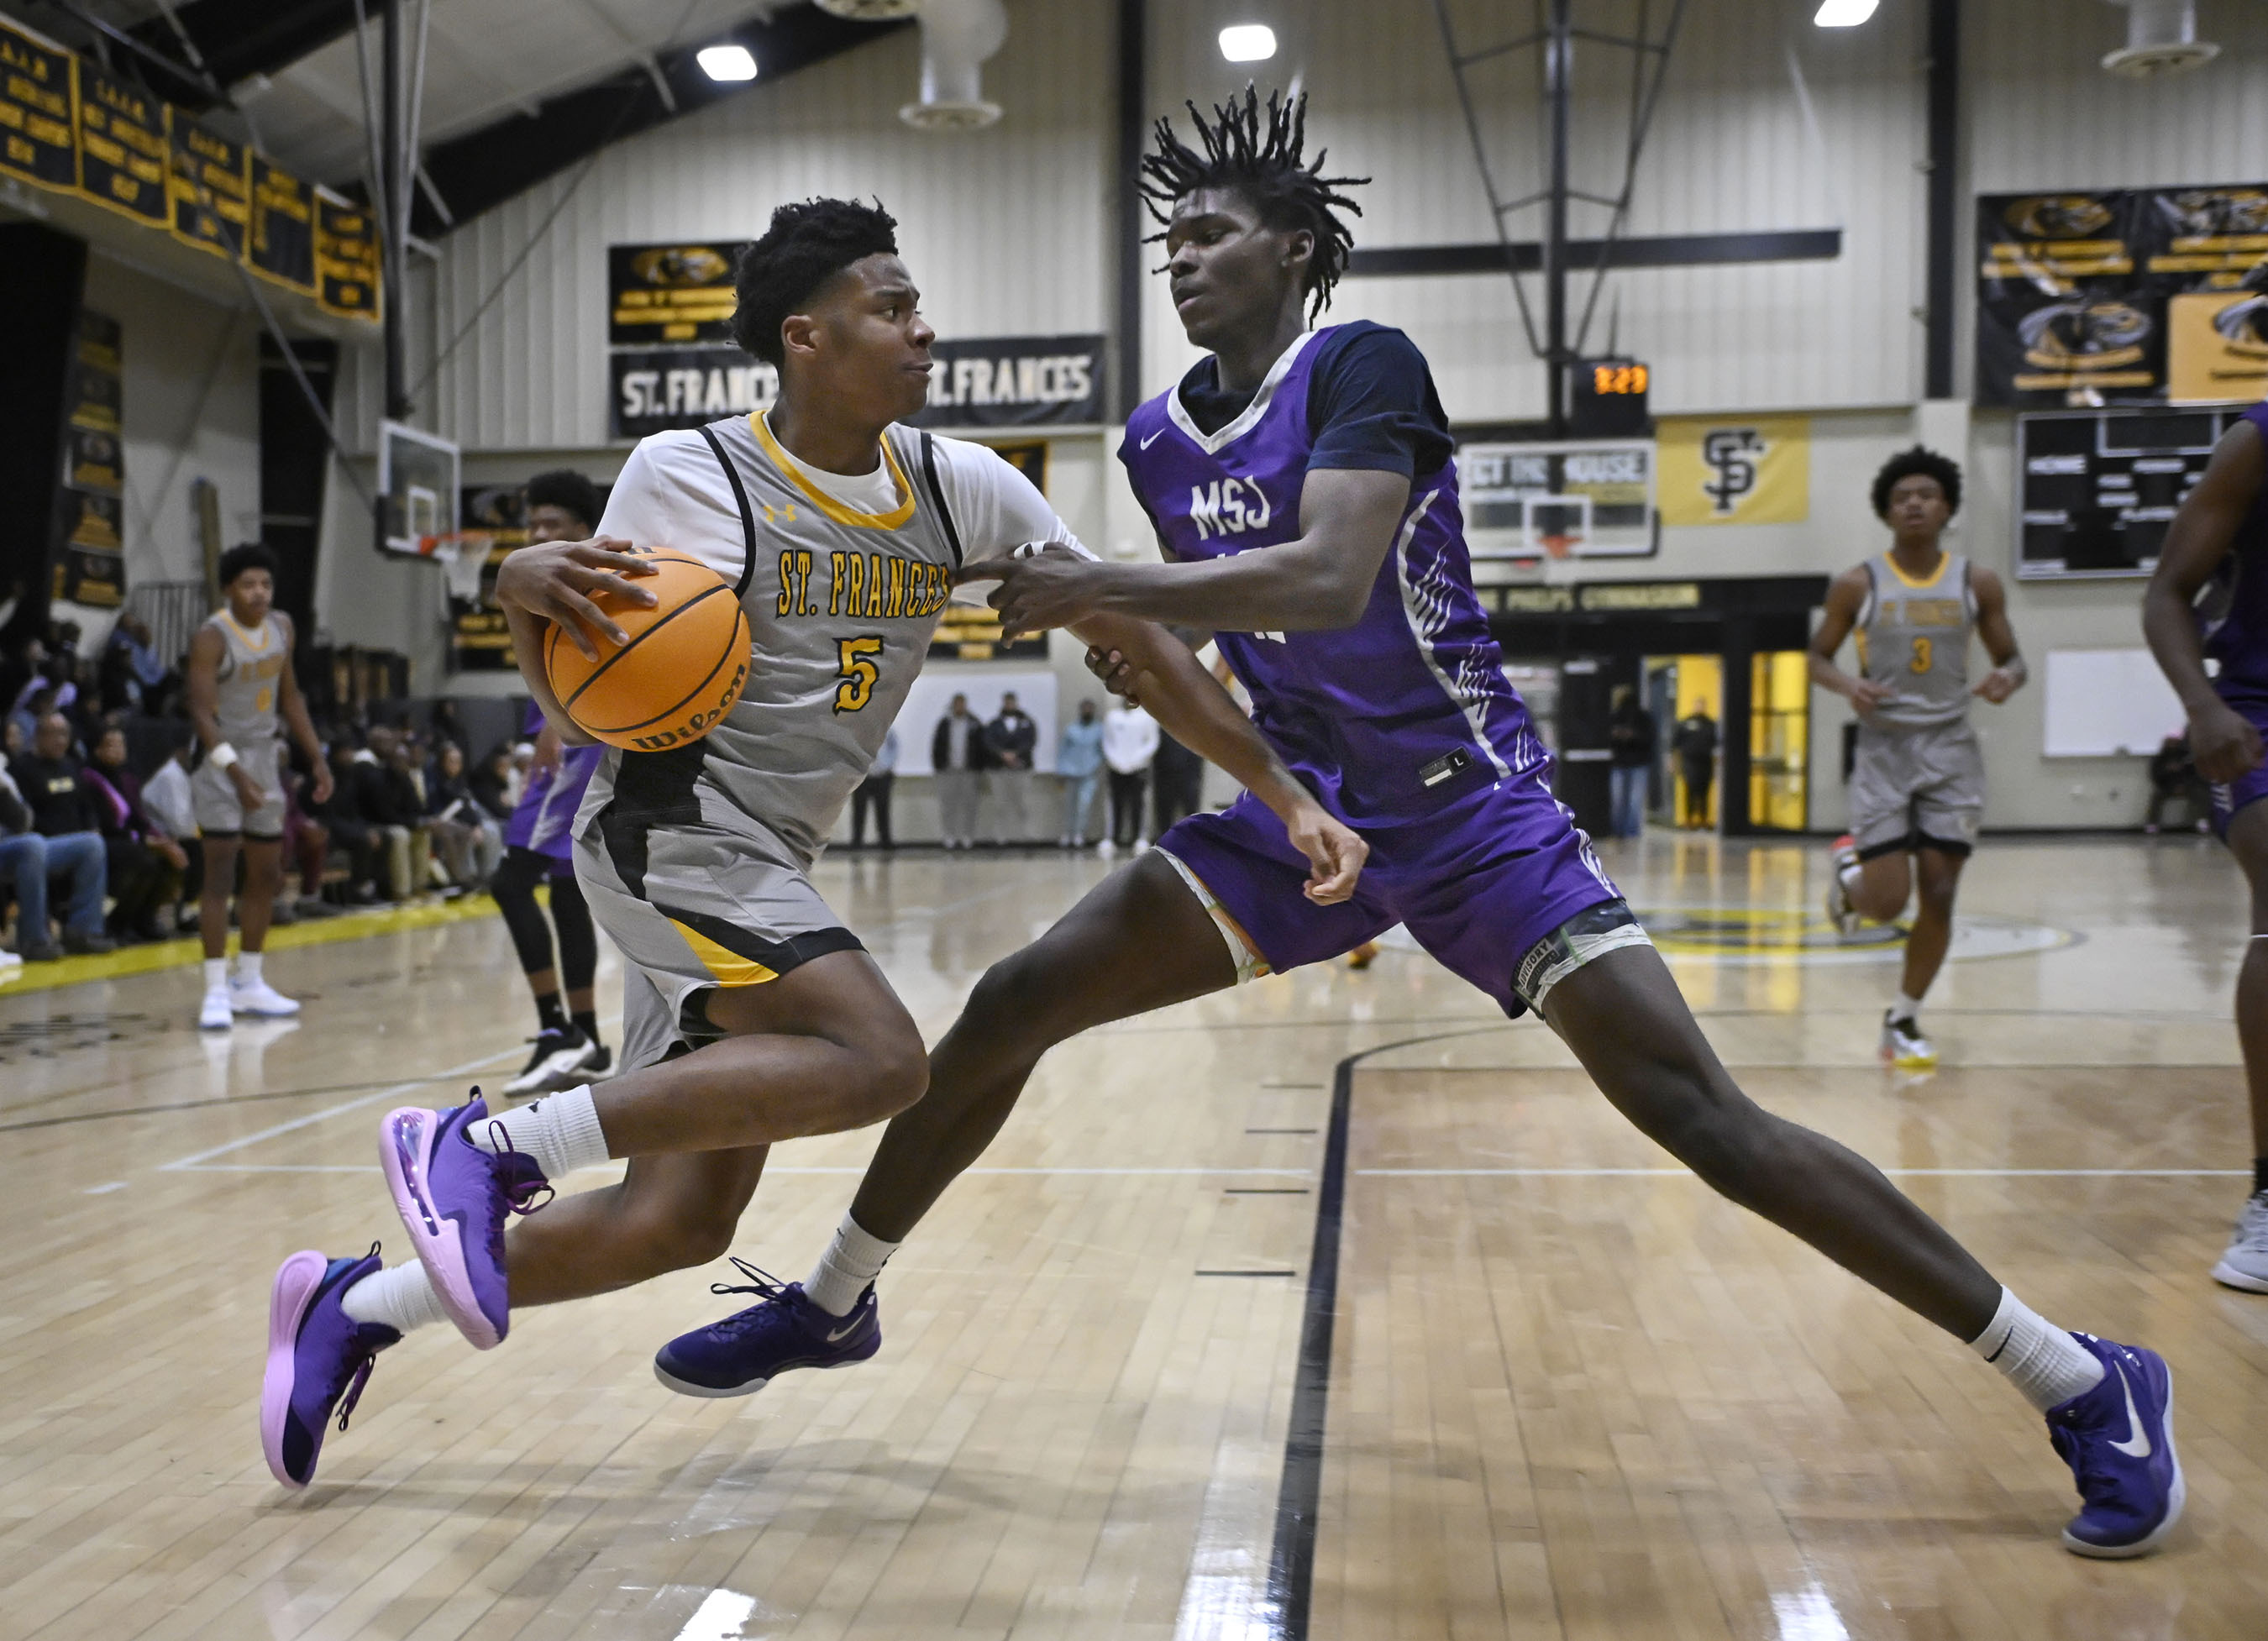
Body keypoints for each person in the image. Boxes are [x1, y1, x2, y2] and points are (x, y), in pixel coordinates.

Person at [667, 92, 2182, 1560]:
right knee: (1013, 1001)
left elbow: (1327, 576)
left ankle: (2082, 1371)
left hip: (1476, 819)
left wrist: (1117, 589)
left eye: (1211, 236)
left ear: (1294, 255)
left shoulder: (1363, 366)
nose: (1183, 260)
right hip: (1310, 815)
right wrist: (1164, 673)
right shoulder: (1150, 439)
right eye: (1169, 243)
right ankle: (836, 1294)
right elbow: (1196, 640)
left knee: (1700, 1117)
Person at [255, 194, 1362, 1492]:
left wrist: (1281, 790)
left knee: (672, 1223)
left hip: (767, 861)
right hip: (670, 830)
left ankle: (352, 1305)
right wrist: (516, 600)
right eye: (890, 307)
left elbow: (1137, 637)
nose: (922, 328)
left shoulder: (959, 488)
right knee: (883, 1055)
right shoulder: (691, 474)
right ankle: (485, 1149)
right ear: (807, 338)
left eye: (917, 304)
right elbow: (577, 692)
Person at [1811, 447, 2027, 1070]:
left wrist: (2006, 679)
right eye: (1903, 495)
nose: (1914, 503)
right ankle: (1851, 873)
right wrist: (1849, 685)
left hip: (1951, 749)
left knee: (1939, 890)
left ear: (1948, 507)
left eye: (1927, 494)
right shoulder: (1859, 583)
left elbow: (2013, 658)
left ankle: (1902, 1018)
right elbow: (1818, 656)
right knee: (1885, 903)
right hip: (1884, 748)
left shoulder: (1976, 581)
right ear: (1886, 509)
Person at [2141, 401, 2268, 1293]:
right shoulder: (2254, 439)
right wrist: (2204, 706)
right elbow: (2166, 593)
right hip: (2257, 712)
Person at [187, 543, 332, 1028]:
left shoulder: (282, 628)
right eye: (248, 584)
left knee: (267, 874)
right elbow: (202, 716)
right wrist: (236, 776)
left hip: (264, 756)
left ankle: (248, 981)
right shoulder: (212, 636)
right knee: (220, 873)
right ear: (229, 589)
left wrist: (317, 759)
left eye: (265, 584)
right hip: (219, 759)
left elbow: (290, 699)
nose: (258, 593)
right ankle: (214, 990)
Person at [5, 712, 112, 958]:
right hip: (27, 843)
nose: (61, 740)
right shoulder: (21, 768)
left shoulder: (72, 766)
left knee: (93, 844)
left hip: (54, 846)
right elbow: (23, 821)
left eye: (65, 734)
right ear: (38, 736)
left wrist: (92, 826)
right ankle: (34, 940)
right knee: (34, 845)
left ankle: (83, 931)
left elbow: (88, 807)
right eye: (54, 734)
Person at [86, 723, 187, 941]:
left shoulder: (127, 779)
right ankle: (118, 922)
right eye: (111, 746)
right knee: (143, 860)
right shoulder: (89, 779)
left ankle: (145, 918)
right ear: (97, 750)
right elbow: (106, 826)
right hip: (107, 842)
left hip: (133, 840)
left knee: (180, 852)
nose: (118, 750)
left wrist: (162, 839)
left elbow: (140, 819)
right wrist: (149, 842)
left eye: (121, 745)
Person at [1100, 695, 1158, 855]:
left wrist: (1135, 761)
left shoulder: (1146, 718)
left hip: (1138, 769)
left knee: (1139, 804)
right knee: (1114, 804)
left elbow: (1152, 742)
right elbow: (1107, 742)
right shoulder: (1112, 717)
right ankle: (1112, 838)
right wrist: (1116, 761)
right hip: (1116, 768)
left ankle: (1140, 838)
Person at [932, 693, 984, 849]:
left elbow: (982, 747)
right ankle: (949, 836)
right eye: (957, 704)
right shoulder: (944, 723)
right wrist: (938, 766)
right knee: (948, 805)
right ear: (953, 705)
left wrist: (979, 768)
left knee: (969, 805)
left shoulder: (974, 723)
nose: (960, 707)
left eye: (962, 704)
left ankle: (967, 837)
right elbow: (936, 746)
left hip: (969, 771)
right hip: (948, 771)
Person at [984, 691, 1036, 845]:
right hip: (999, 770)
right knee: (1000, 804)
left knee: (1023, 804)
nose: (1009, 705)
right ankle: (1001, 837)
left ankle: (1024, 835)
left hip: (1022, 769)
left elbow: (1031, 741)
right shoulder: (994, 724)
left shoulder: (1027, 723)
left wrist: (1016, 754)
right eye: (1007, 702)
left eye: (1012, 702)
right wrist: (1003, 755)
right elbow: (989, 742)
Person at [1607, 684, 1655, 839]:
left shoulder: (1636, 718)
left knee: (1623, 800)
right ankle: (1629, 832)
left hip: (1627, 762)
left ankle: (1622, 831)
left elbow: (1649, 738)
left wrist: (1630, 736)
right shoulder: (1643, 717)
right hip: (1633, 762)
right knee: (1631, 800)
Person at [1057, 699, 1105, 847]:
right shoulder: (1071, 729)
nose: (1087, 711)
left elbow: (1102, 750)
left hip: (1089, 773)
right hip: (1071, 773)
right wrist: (1061, 771)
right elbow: (1063, 751)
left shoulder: (1099, 729)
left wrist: (1095, 765)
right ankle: (1067, 833)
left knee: (1084, 805)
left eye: (1090, 708)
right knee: (1069, 805)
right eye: (1085, 708)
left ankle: (1079, 834)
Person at [2143, 732, 2209, 835]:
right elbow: (2155, 776)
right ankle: (2152, 824)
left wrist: (2184, 785)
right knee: (2156, 796)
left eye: (2175, 742)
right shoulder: (2160, 758)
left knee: (2202, 794)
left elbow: (2194, 775)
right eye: (2170, 742)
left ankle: (2203, 822)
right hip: (2167, 787)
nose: (2173, 745)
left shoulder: (2187, 757)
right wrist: (2167, 771)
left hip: (2187, 786)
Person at [850, 726, 898, 849]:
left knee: (883, 809)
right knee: (859, 810)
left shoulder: (889, 731)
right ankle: (857, 841)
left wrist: (886, 767)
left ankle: (885, 841)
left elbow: (894, 749)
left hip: (882, 776)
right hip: (863, 777)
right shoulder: (858, 731)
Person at [1673, 707, 1717, 828]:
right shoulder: (1686, 723)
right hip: (1689, 761)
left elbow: (1716, 743)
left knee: (1704, 790)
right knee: (1690, 789)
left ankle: (1704, 819)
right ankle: (1689, 819)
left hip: (1706, 762)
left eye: (1702, 704)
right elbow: (1676, 743)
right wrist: (1674, 763)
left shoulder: (1710, 724)